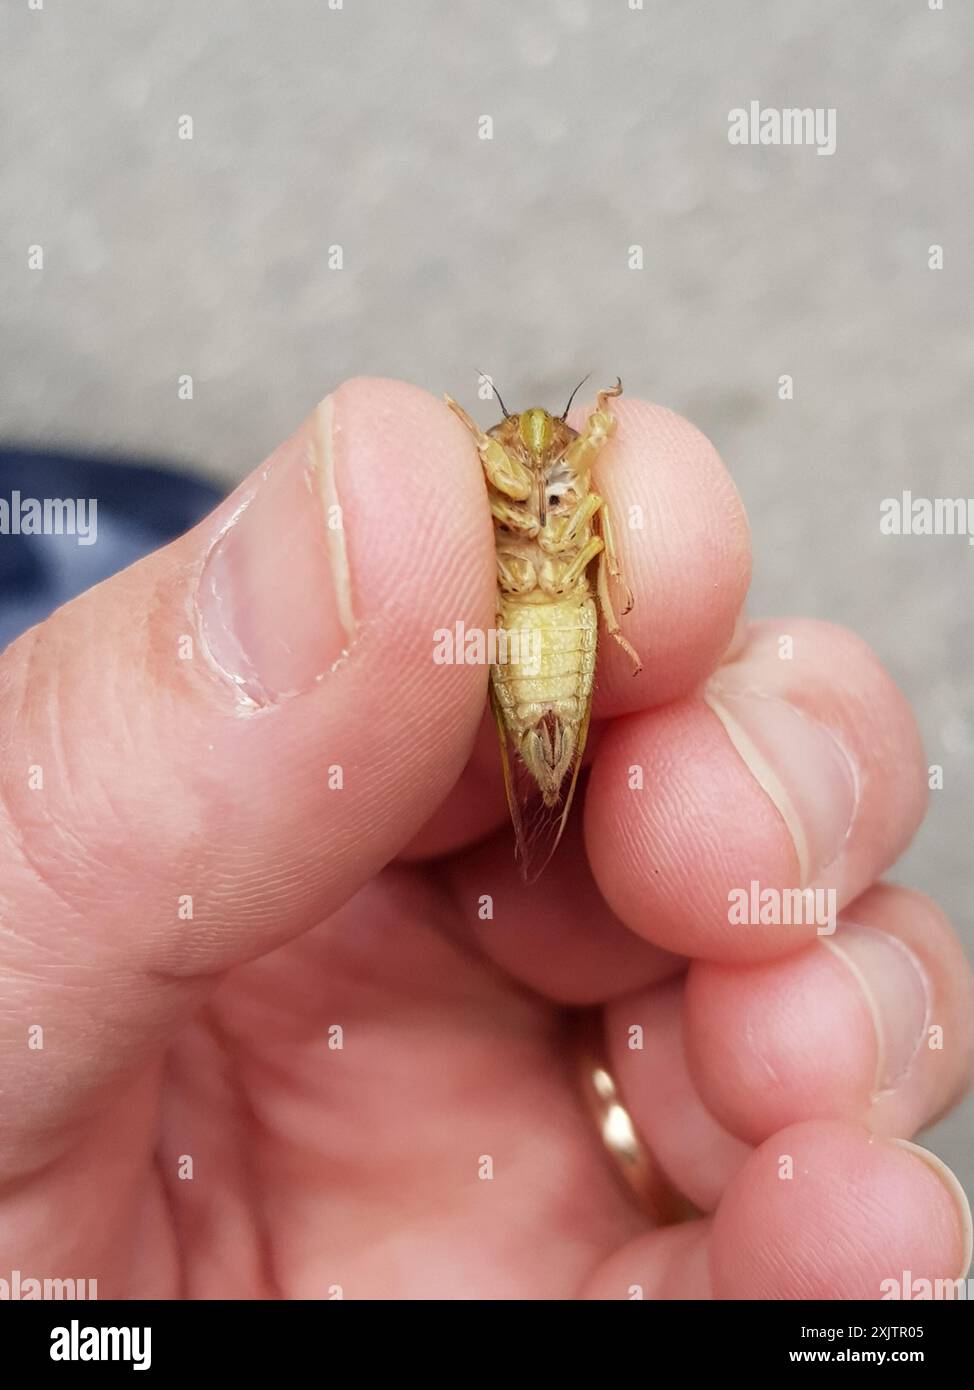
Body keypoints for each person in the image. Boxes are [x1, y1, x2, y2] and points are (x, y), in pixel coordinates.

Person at [0, 378, 970, 1300]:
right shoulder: (510, 490)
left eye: (546, 454)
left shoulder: (577, 494)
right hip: (527, 634)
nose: (533, 456)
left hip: (561, 634)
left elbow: (600, 532)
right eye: (512, 449)